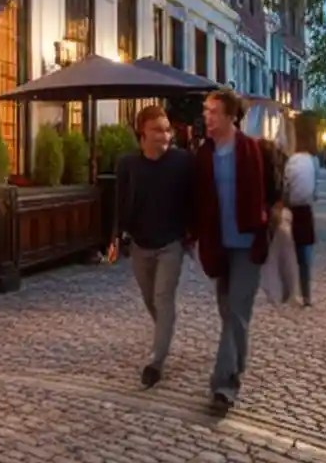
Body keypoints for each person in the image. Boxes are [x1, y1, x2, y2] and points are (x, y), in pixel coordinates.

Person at [189, 89, 268, 409]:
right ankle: (236, 366)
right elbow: (198, 198)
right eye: (206, 111)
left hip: (247, 245)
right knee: (230, 314)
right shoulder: (204, 153)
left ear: (231, 116)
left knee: (236, 310)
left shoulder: (250, 149)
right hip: (218, 244)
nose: (207, 117)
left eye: (214, 112)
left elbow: (267, 191)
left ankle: (223, 384)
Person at [115, 105, 194, 388]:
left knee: (163, 298)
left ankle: (156, 361)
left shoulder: (183, 161)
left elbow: (197, 196)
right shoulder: (128, 164)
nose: (164, 135)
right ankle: (166, 328)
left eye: (167, 129)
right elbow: (120, 201)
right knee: (151, 299)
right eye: (157, 130)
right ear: (142, 134)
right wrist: (116, 236)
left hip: (171, 244)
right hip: (140, 244)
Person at [283, 123, 321, 306]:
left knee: (287, 253)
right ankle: (306, 295)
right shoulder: (313, 161)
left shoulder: (292, 161)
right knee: (304, 258)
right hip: (305, 211)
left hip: (291, 211)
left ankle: (286, 292)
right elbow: (315, 192)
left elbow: (286, 185)